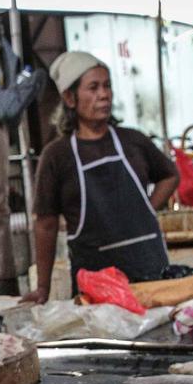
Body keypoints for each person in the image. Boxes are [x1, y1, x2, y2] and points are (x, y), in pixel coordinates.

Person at [23, 51, 178, 304]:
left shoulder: (133, 141)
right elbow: (46, 225)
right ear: (70, 98)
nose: (104, 95)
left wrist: (147, 209)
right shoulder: (57, 155)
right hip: (96, 286)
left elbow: (170, 175)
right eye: (93, 88)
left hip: (151, 277)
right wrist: (42, 287)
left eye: (107, 86)